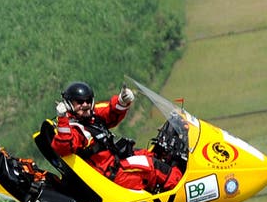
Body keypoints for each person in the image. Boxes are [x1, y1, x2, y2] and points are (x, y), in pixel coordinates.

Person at [50, 81, 182, 192]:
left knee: (151, 154)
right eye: (79, 102)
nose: (85, 105)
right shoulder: (74, 129)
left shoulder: (91, 115)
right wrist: (62, 119)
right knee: (153, 166)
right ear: (68, 104)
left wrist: (122, 101)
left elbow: (109, 112)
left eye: (88, 101)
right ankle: (181, 189)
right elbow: (64, 147)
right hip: (112, 176)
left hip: (115, 162)